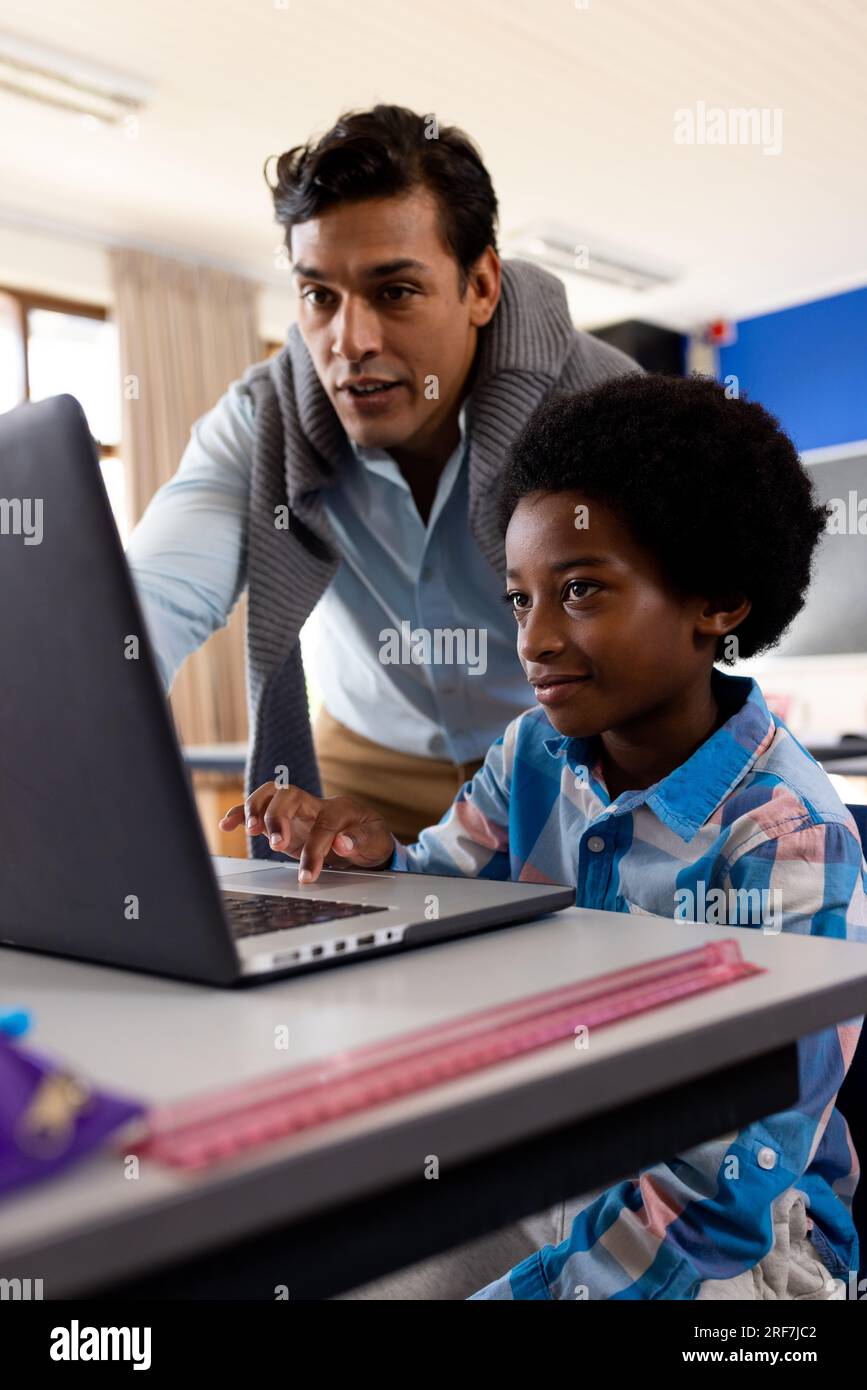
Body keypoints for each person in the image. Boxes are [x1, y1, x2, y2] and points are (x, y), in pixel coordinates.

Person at [222, 373, 867, 1299]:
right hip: (557, 1168)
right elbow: (442, 899)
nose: (532, 638)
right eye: (520, 599)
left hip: (747, 1255)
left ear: (716, 600)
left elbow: (717, 1199)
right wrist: (378, 861)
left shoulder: (787, 842)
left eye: (580, 592)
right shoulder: (534, 753)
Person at [125, 104, 637, 850]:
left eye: (394, 292)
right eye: (318, 296)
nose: (350, 342)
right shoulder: (260, 420)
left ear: (481, 286)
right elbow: (150, 598)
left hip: (564, 750)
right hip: (364, 760)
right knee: (255, 900)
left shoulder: (601, 405)